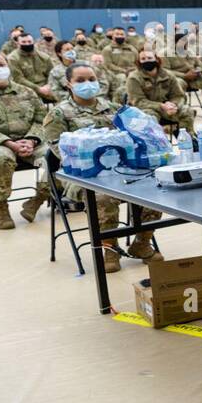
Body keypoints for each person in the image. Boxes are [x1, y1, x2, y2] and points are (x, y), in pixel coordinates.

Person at [43, 64, 163, 271]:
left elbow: (134, 137)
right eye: (80, 80)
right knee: (103, 198)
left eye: (91, 78)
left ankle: (141, 243)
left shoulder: (115, 109)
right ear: (68, 84)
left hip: (119, 172)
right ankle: (110, 248)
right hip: (82, 177)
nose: (87, 84)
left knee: (155, 188)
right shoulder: (59, 113)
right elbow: (58, 149)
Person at [0, 52, 50, 229]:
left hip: (30, 140)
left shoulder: (26, 91)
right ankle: (1, 207)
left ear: (8, 66)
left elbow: (43, 119)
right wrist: (10, 143)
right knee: (1, 159)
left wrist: (31, 140)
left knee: (54, 156)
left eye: (1, 65)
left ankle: (38, 199)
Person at [126, 50, 196, 136]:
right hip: (147, 109)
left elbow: (179, 95)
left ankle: (187, 139)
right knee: (149, 117)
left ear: (156, 59)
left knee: (187, 111)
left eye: (149, 58)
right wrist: (161, 106)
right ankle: (156, 145)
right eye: (143, 59)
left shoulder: (168, 75)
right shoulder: (134, 78)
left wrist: (173, 105)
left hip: (168, 109)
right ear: (139, 62)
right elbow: (138, 101)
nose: (147, 61)